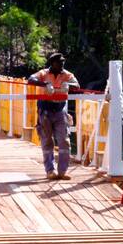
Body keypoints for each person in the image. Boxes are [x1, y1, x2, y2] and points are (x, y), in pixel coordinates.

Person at [27, 52, 79, 180]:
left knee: (64, 141)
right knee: (47, 141)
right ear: (52, 63)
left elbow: (77, 85)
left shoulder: (67, 74)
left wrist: (67, 85)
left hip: (60, 111)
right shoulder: (43, 74)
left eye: (63, 62)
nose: (62, 64)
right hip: (45, 111)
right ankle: (50, 170)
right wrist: (45, 84)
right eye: (59, 62)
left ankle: (62, 171)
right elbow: (30, 80)